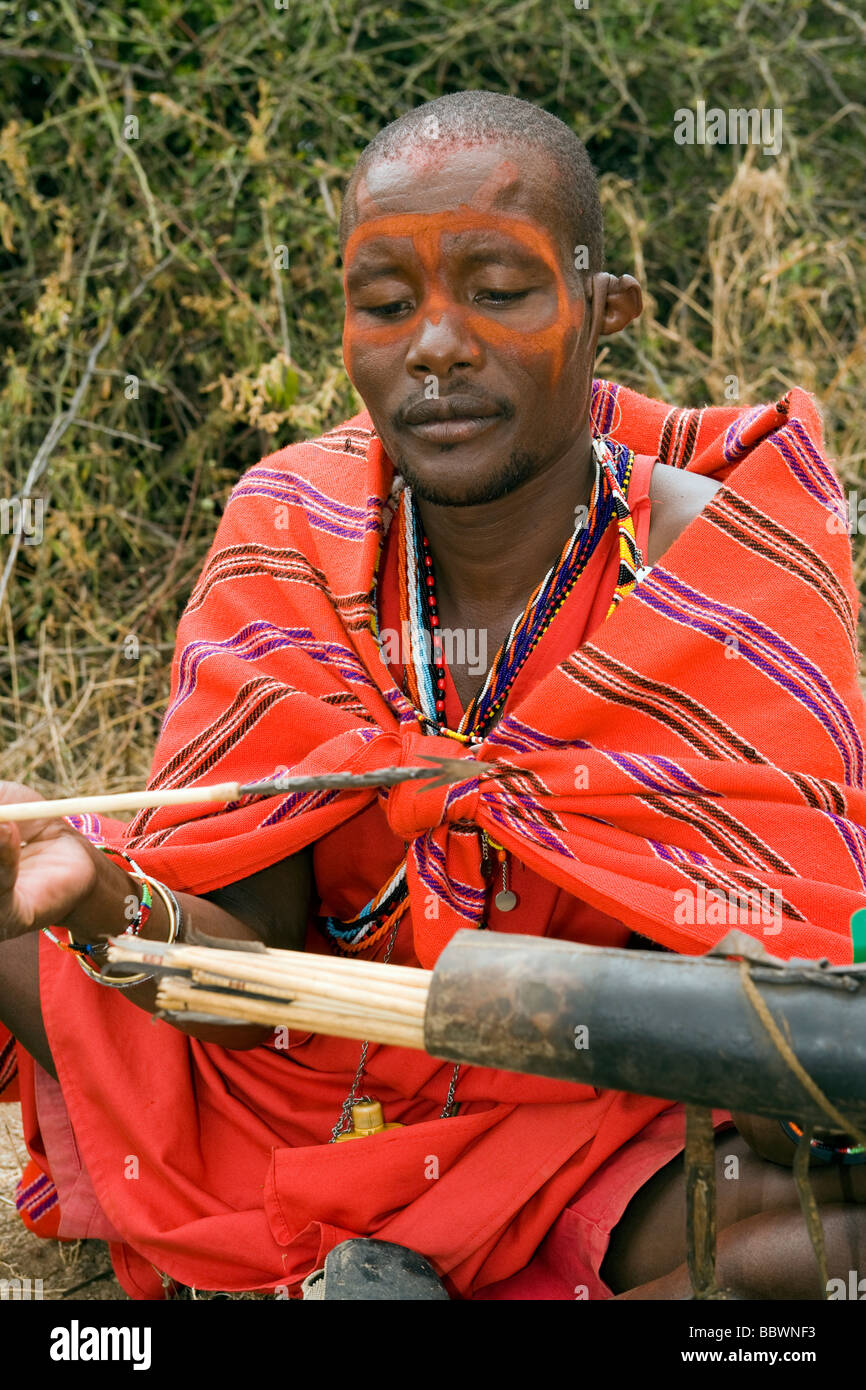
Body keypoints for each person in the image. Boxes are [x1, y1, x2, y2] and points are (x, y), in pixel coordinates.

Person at [1, 90, 865, 1301]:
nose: (436, 346)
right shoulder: (290, 532)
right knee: (23, 919)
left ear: (604, 310)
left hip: (577, 1117)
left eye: (498, 291)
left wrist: (788, 1058)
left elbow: (785, 966)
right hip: (300, 1085)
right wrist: (102, 896)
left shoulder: (722, 564)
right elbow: (243, 986)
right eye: (384, 304)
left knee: (825, 1242)